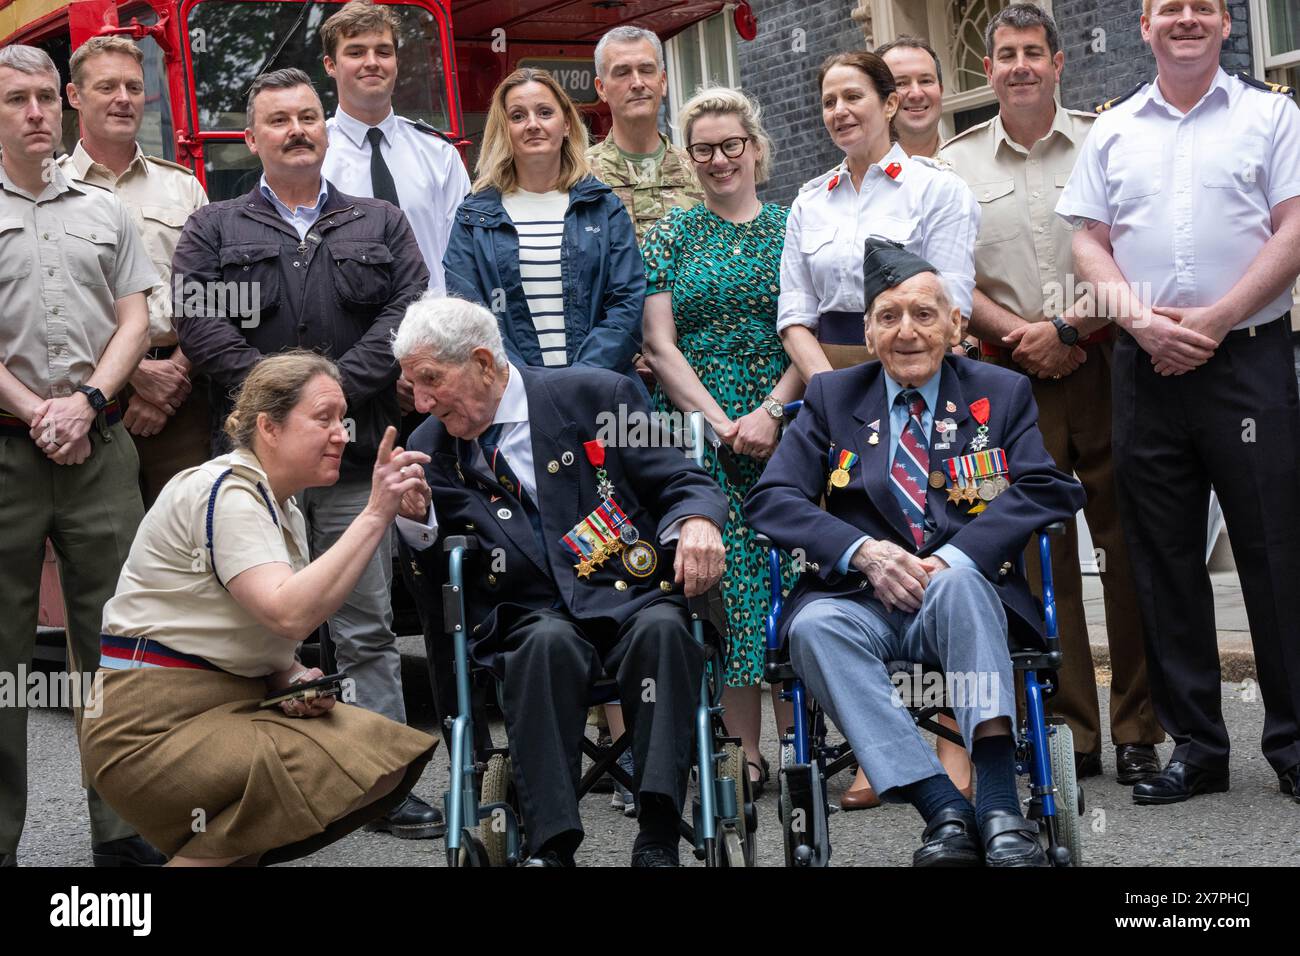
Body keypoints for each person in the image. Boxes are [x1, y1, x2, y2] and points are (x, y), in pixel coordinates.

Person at [747, 240, 1084, 866]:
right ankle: (943, 810)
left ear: (957, 326)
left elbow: (1049, 487)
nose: (907, 331)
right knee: (813, 628)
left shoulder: (1000, 392)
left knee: (960, 585)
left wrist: (954, 559)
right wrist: (863, 550)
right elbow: (771, 501)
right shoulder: (831, 399)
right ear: (869, 333)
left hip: (965, 599)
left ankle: (1002, 809)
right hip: (859, 602)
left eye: (924, 314)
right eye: (889, 316)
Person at [172, 68, 442, 837]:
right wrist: (282, 405)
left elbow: (407, 312)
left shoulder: (379, 222)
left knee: (364, 626)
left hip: (354, 461)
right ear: (250, 137)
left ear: (323, 131)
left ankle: (382, 781)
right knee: (249, 635)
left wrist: (326, 394)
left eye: (306, 118)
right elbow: (198, 321)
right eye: (277, 120)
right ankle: (254, 790)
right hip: (256, 473)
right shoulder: (214, 230)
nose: (296, 130)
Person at [1059, 0, 1300, 806]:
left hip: (1249, 361)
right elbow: (1087, 239)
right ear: (1144, 25)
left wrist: (1220, 316)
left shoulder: (1272, 116)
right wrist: (1140, 323)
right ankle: (1197, 748)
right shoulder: (1114, 128)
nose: (1186, 19)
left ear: (1227, 23)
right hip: (1144, 365)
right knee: (1160, 559)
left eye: (1202, 7)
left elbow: (1293, 226)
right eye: (1170, 9)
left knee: (1275, 555)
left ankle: (1294, 744)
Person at [394, 296, 729, 866]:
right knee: (544, 646)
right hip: (529, 615)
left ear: (481, 361)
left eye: (430, 380)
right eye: (412, 385)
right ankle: (552, 845)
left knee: (665, 634)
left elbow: (681, 479)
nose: (421, 401)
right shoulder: (431, 447)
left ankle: (657, 833)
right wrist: (416, 521)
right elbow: (435, 588)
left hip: (630, 595)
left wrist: (697, 520)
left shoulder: (598, 396)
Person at [81, 353, 438, 866]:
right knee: (317, 764)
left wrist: (291, 678)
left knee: (376, 752)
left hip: (218, 708)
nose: (342, 434)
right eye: (323, 419)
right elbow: (289, 614)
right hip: (147, 725)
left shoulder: (278, 503)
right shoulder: (226, 491)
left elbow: (255, 635)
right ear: (269, 427)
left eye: (342, 418)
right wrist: (376, 512)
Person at [941, 2, 1163, 785]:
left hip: (1108, 363)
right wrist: (1025, 335)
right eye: (1005, 54)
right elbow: (951, 277)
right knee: (1041, 555)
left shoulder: (1110, 141)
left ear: (1060, 62)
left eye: (1034, 51)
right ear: (989, 68)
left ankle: (1139, 724)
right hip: (1008, 381)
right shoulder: (955, 164)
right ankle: (1071, 726)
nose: (1020, 65)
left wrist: (1068, 329)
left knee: (1127, 544)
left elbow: (1137, 245)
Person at [0, 44, 161, 868]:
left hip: (99, 449)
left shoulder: (107, 210)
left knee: (120, 646)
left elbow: (134, 319)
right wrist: (37, 413)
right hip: (7, 455)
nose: (35, 113)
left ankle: (124, 831)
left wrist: (88, 404)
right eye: (16, 100)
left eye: (42, 99)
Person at [641, 86, 799, 797]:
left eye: (730, 144)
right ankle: (744, 753)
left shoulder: (795, 227)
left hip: (786, 421)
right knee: (726, 586)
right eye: (702, 148)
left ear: (756, 148)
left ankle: (809, 747)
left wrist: (769, 410)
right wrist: (717, 420)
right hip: (697, 427)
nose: (718, 159)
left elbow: (812, 326)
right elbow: (658, 341)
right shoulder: (671, 233)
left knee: (793, 575)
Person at [878, 33, 975, 804]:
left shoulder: (948, 181)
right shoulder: (818, 194)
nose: (911, 93)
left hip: (951, 377)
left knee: (957, 559)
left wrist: (926, 342)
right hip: (849, 384)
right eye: (895, 82)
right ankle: (895, 757)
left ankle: (972, 754)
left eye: (922, 80)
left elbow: (952, 299)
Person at [59, 36, 211, 507]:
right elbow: (51, 304)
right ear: (74, 97)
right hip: (86, 403)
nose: (124, 98)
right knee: (103, 555)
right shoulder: (49, 188)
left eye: (134, 86)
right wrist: (130, 376)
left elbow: (216, 292)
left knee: (191, 549)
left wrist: (175, 374)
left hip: (180, 399)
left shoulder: (184, 187)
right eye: (107, 86)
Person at [778, 51, 979, 378]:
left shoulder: (938, 190)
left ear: (890, 105)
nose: (839, 111)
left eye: (853, 96)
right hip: (826, 372)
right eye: (829, 102)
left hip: (917, 368)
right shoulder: (808, 203)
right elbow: (794, 316)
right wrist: (830, 392)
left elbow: (953, 310)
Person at [441, 68, 645, 384]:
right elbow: (469, 315)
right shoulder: (473, 218)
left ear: (565, 124)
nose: (533, 124)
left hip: (599, 391)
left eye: (545, 112)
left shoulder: (603, 208)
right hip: (510, 398)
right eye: (518, 116)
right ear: (503, 129)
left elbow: (626, 304)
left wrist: (578, 380)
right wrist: (529, 385)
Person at [320, 0, 470, 293]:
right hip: (346, 334)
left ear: (396, 64)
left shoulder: (440, 155)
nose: (372, 61)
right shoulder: (313, 157)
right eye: (356, 52)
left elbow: (465, 259)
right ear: (330, 65)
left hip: (431, 330)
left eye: (383, 52)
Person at [586, 25, 703, 245]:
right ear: (601, 88)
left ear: (663, 81)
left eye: (647, 70)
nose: (637, 83)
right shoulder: (579, 176)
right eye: (622, 73)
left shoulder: (700, 169)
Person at [877, 36, 946, 161]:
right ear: (879, 98)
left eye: (926, 81)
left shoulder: (972, 163)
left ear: (941, 91)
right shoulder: (856, 178)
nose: (916, 94)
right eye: (901, 83)